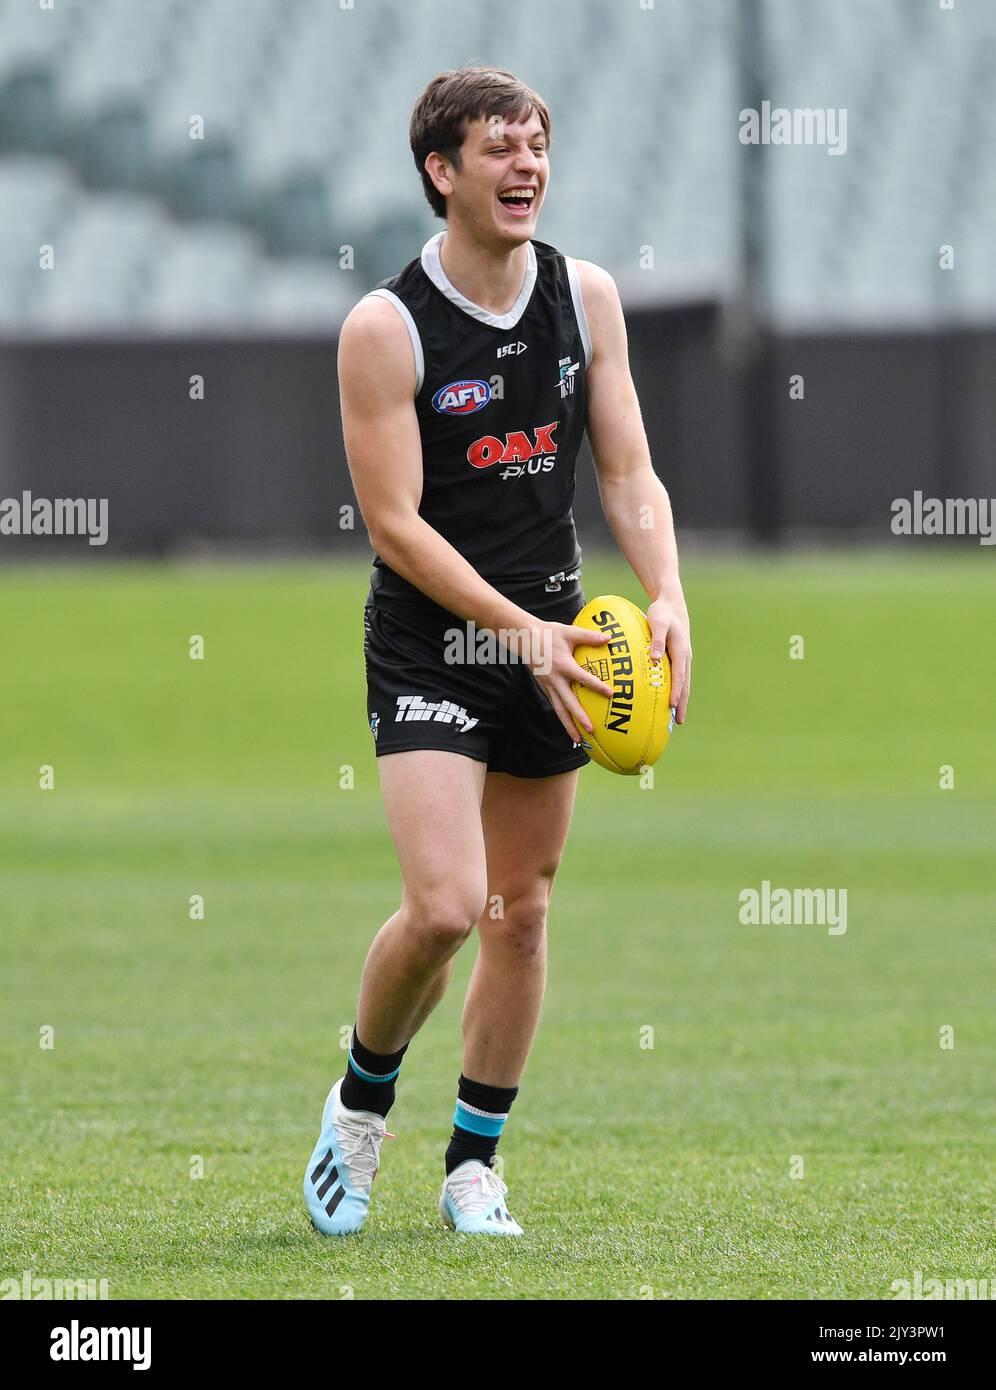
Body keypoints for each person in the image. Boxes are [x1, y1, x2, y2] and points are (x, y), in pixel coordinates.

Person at [304, 66, 691, 1237]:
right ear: (442, 171)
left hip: (557, 636)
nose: (528, 168)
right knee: (442, 905)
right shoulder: (384, 327)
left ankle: (474, 1162)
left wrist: (667, 592)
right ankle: (360, 1111)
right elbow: (395, 526)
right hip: (436, 639)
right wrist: (513, 633)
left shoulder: (588, 297)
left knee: (519, 909)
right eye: (500, 150)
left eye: (539, 147)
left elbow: (624, 471)